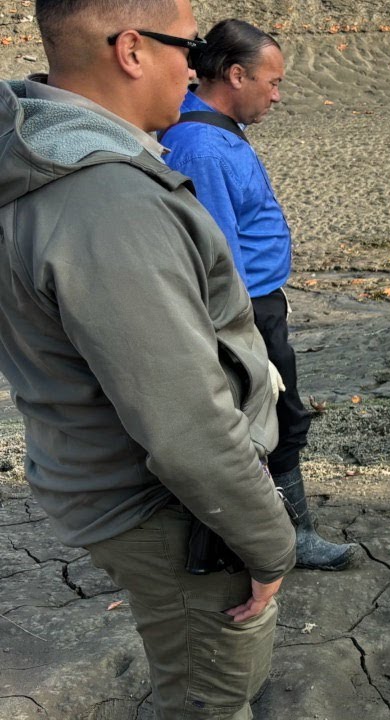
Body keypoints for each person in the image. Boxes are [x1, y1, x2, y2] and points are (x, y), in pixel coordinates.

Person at [0, 0, 297, 716]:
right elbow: (186, 425)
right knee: (211, 692)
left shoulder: (45, 157)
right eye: (187, 50)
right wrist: (268, 545)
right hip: (174, 511)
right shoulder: (108, 203)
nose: (194, 71)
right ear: (131, 51)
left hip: (104, 479)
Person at [163, 18, 357, 571]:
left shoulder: (210, 128)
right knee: (276, 420)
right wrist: (244, 333)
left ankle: (254, 539)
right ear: (236, 74)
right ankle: (288, 538)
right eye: (271, 82)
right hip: (245, 310)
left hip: (260, 301)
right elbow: (216, 259)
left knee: (267, 420)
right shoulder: (202, 146)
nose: (277, 95)